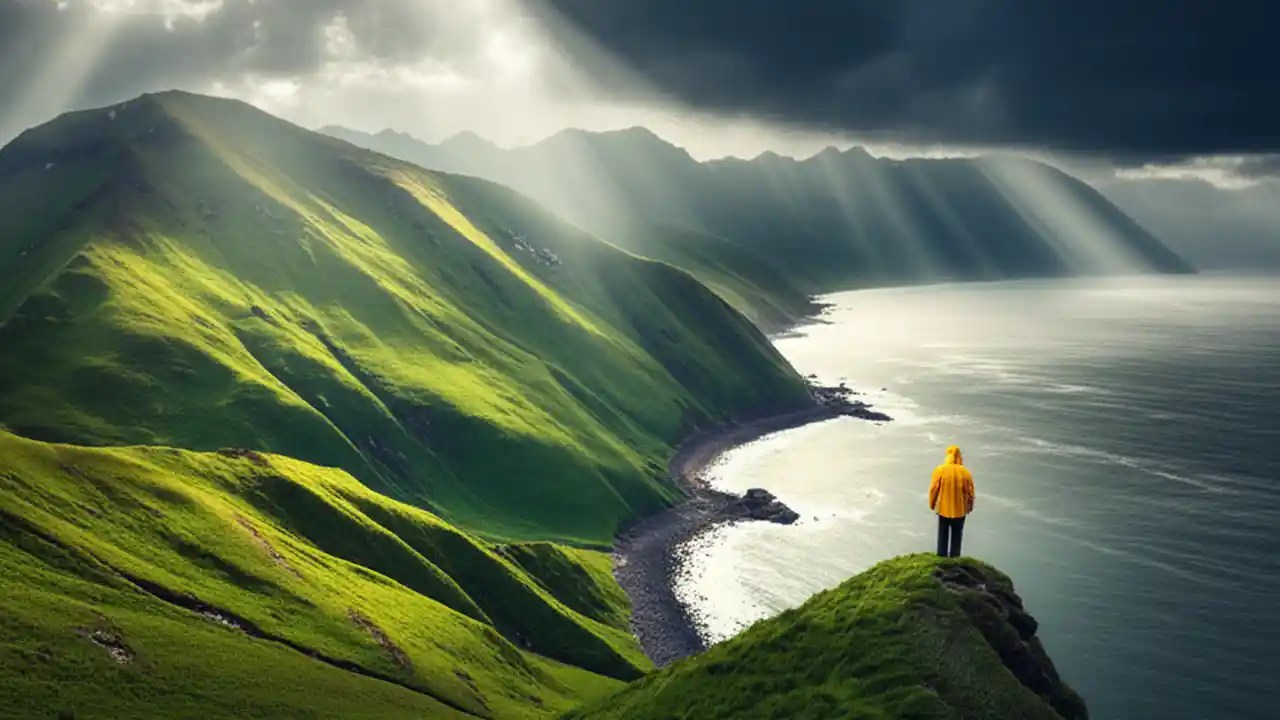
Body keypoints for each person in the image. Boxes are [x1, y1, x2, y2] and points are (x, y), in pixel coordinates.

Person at [929, 445, 975, 557]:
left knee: (942, 536)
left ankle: (941, 557)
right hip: (960, 511)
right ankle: (955, 559)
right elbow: (970, 493)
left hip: (943, 510)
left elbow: (934, 489)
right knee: (957, 537)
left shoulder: (939, 470)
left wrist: (932, 503)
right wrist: (970, 507)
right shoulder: (965, 472)